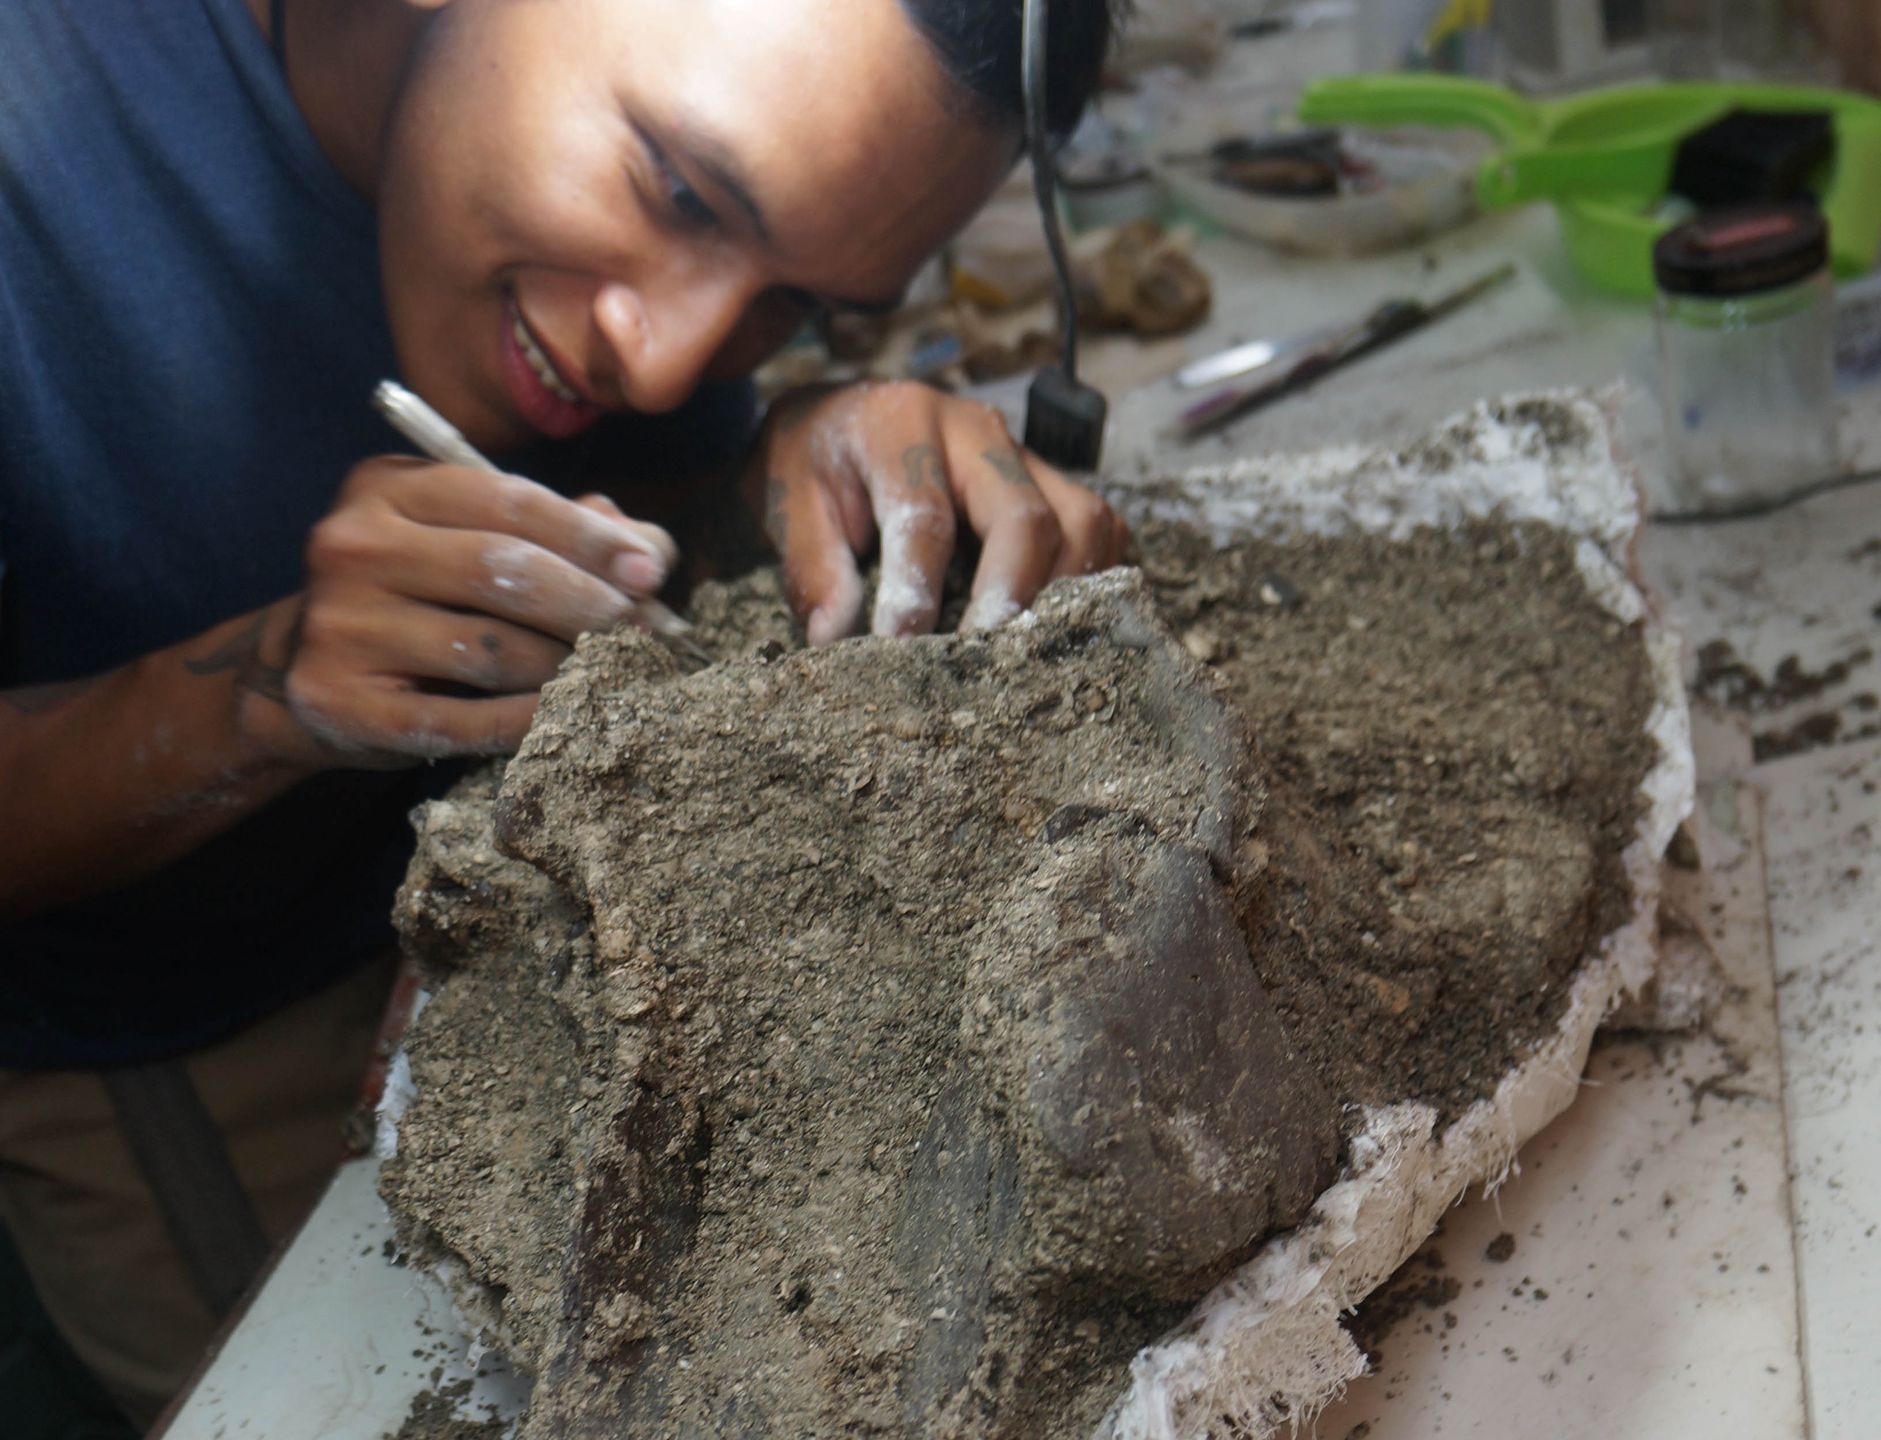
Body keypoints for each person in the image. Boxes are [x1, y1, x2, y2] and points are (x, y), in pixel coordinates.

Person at [0, 0, 1132, 1425]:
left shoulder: (626, 274)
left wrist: (776, 464)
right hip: (195, 1025)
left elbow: (622, 512)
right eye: (678, 192)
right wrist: (250, 696)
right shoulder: (39, 152)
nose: (663, 361)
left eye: (793, 302)